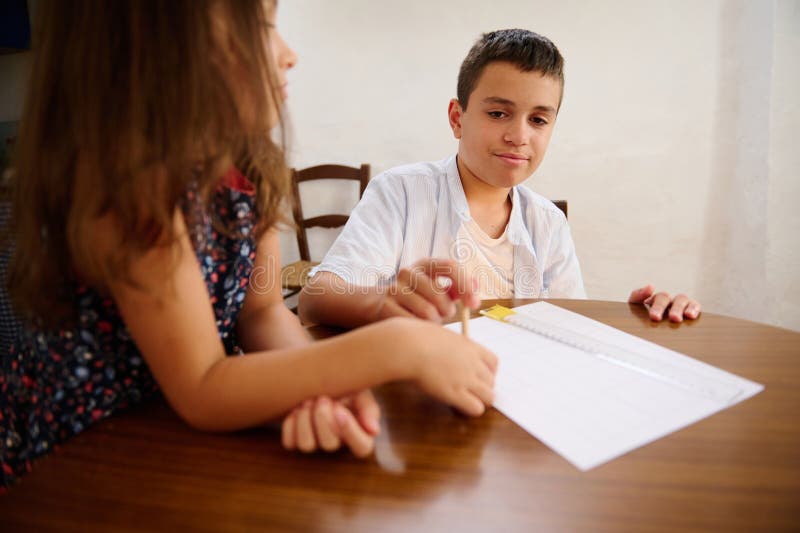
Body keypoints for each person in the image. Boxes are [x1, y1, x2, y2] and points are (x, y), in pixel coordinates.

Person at [0, 0, 498, 489]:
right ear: (162, 52)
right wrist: (395, 346)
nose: (289, 53)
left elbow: (260, 312)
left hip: (192, 433)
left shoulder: (248, 163)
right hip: (91, 456)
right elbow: (202, 385)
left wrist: (318, 392)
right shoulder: (122, 189)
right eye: (264, 25)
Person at [299, 29, 702, 327]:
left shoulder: (548, 223)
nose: (519, 135)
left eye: (539, 119)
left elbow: (572, 326)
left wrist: (632, 318)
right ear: (458, 118)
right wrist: (387, 303)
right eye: (498, 113)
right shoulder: (402, 192)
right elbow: (316, 298)